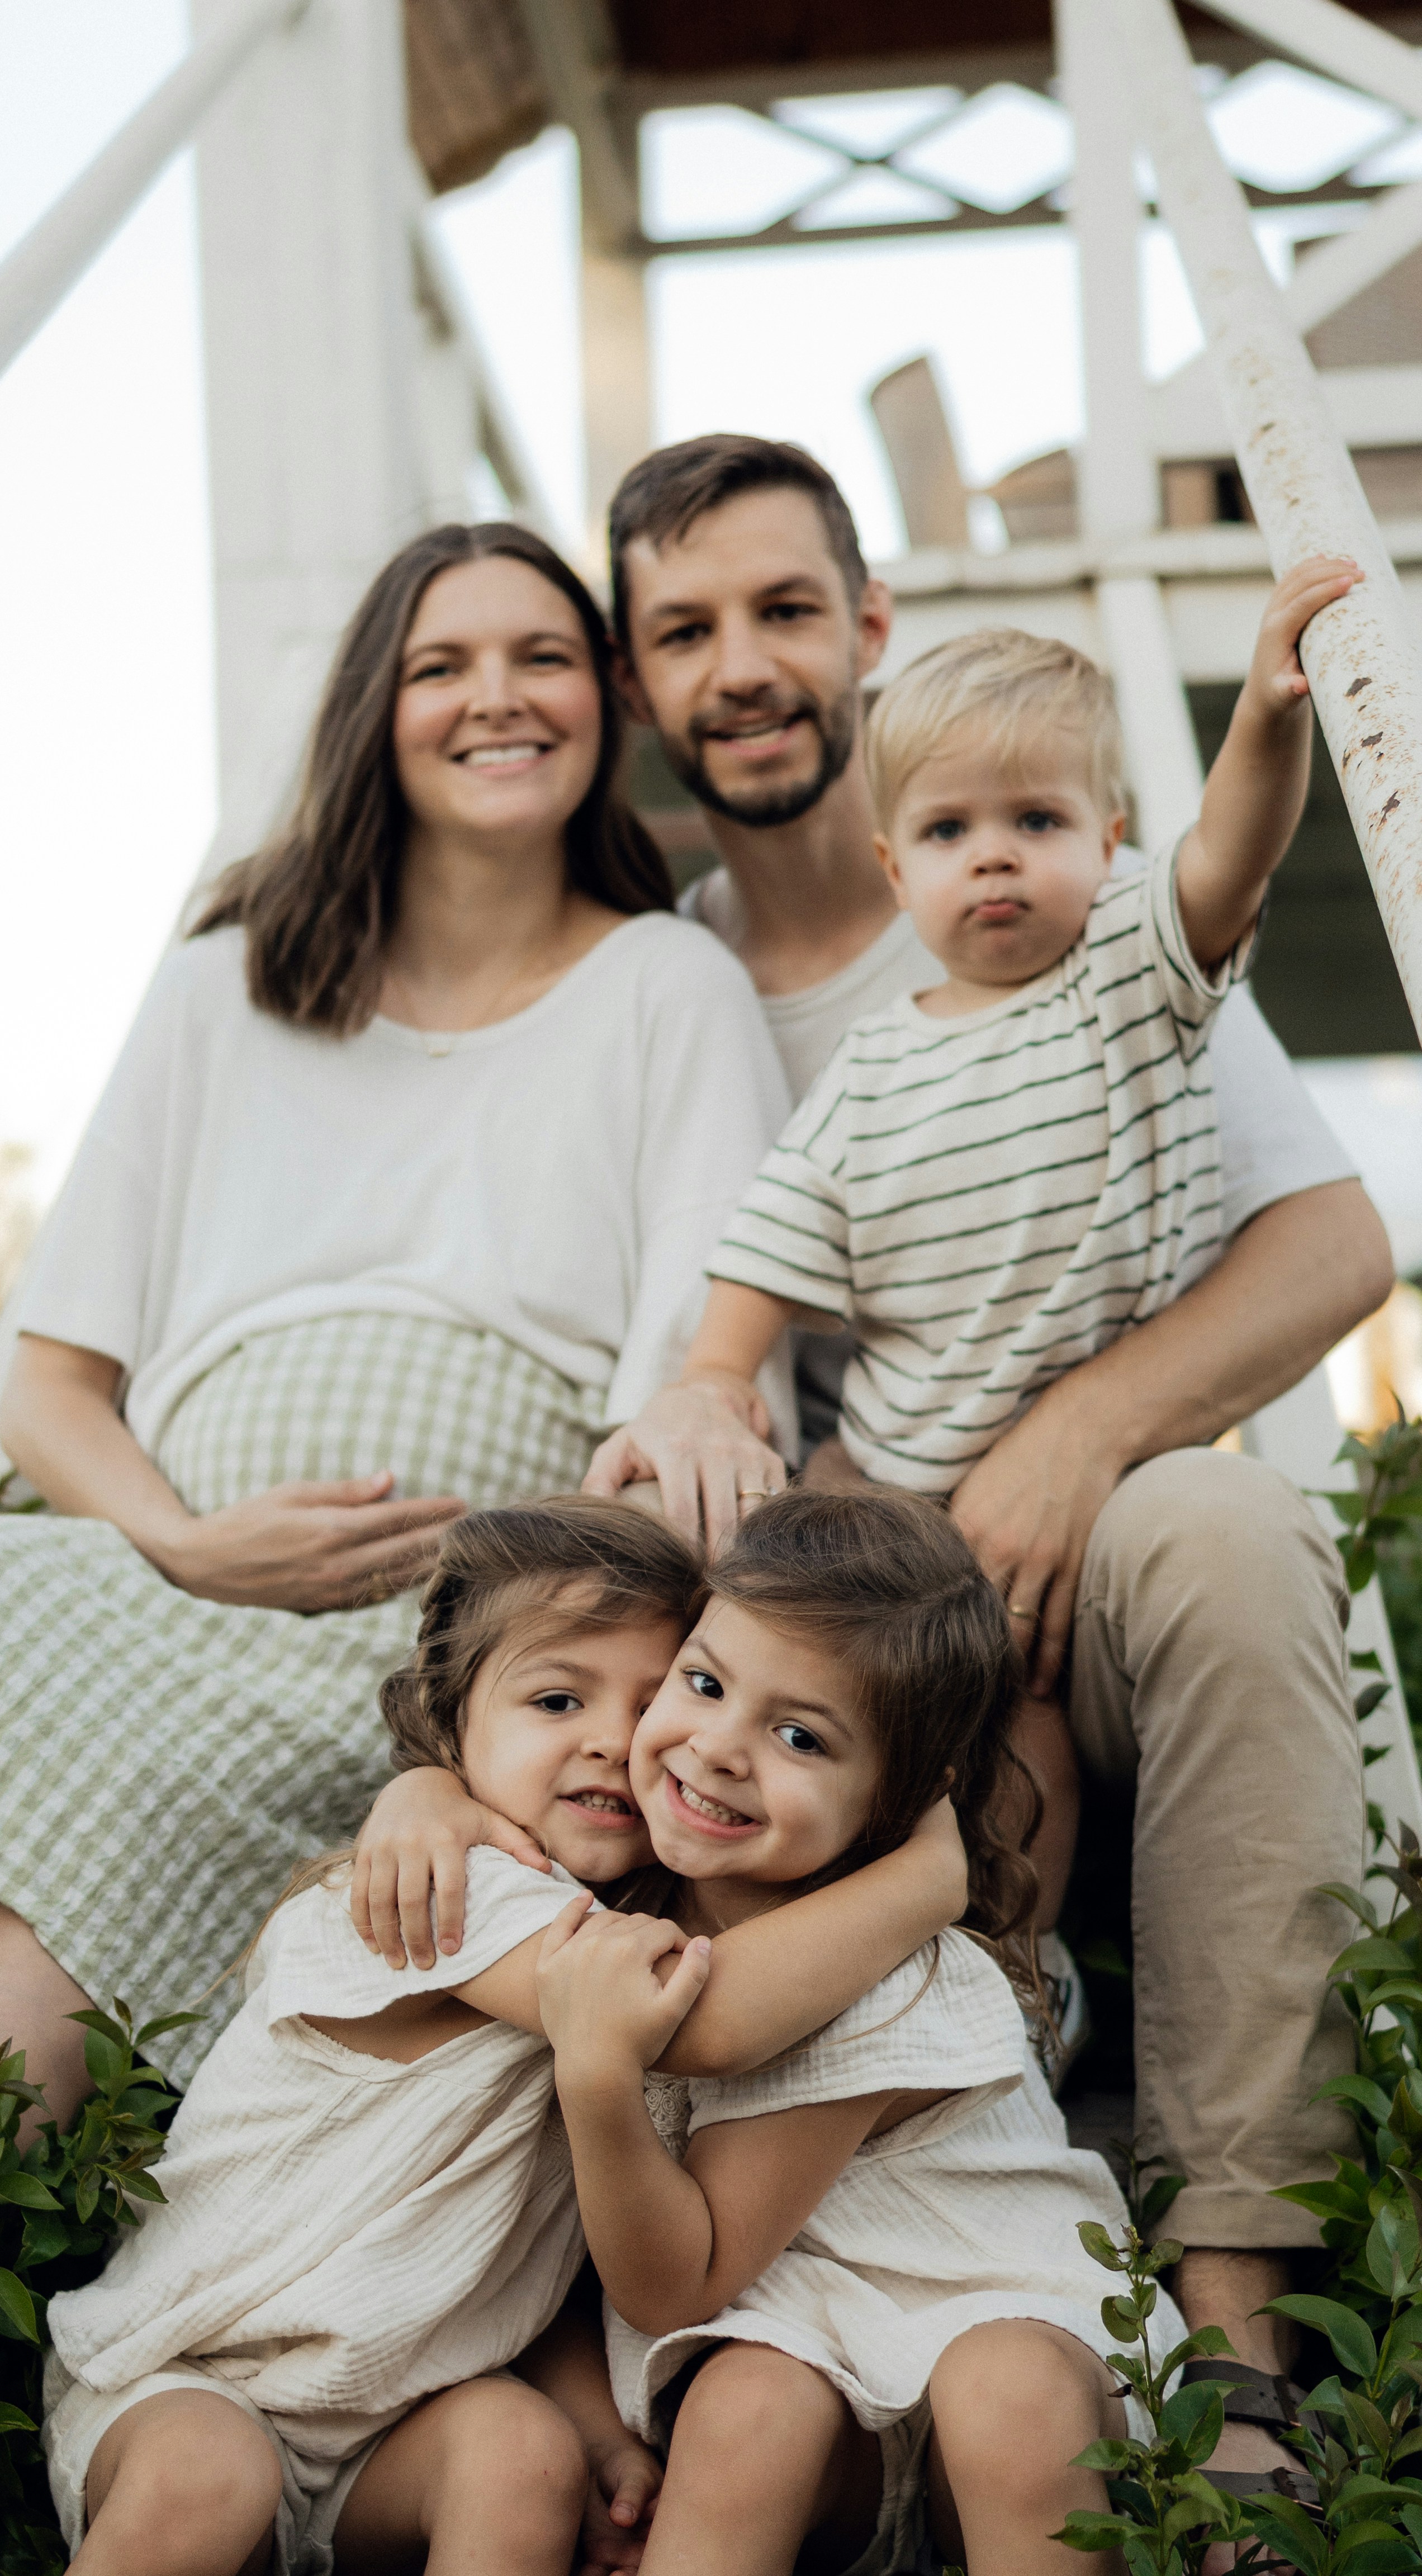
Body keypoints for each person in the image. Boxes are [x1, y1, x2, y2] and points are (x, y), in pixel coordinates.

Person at [0, 521, 798, 2569]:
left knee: (129, 1785)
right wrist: (187, 1543)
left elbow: (687, 1381)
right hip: (181, 1554)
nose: (499, 695)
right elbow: (50, 1385)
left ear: (605, 706)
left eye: (547, 655)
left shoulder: (666, 986)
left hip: (462, 1593)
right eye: (445, 659)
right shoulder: (229, 986)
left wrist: (506, 1612)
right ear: (375, 709)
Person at [583, 433, 1392, 2492]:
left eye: (785, 607)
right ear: (634, 677)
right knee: (897, 1704)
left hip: (1085, 1523)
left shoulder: (1091, 937)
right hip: (848, 1561)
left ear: (868, 629)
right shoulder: (662, 987)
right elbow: (728, 1309)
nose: (741, 662)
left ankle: (1237, 2334)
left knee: (1207, 1518)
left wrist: (1069, 1435)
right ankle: (882, 2179)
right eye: (683, 627)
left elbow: (1334, 1238)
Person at [40, 1499, 969, 2576]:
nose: (614, 1742)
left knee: (524, 2457)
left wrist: (598, 2432)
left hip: (395, 2432)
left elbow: (536, 2266)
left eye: (659, 1694)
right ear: (453, 1723)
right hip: (186, 2383)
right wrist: (925, 1879)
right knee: (213, 2479)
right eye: (557, 1697)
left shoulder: (617, 1929)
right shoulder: (450, 1893)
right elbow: (706, 2020)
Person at [671, 574, 1361, 1955]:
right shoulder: (876, 1068)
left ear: (1110, 844)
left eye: (1036, 822)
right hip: (894, 1491)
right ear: (895, 868)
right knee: (894, 1728)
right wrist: (712, 1374)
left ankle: (1017, 1971)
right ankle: (875, 1968)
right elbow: (768, 1239)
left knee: (1025, 1720)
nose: (994, 859)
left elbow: (1232, 854)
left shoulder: (1133, 979)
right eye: (949, 830)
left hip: (1075, 1504)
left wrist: (1270, 721)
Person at [539, 1488, 1195, 2576]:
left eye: (800, 1734)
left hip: (1017, 2347)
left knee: (1008, 2395)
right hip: (810, 2347)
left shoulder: (888, 1983)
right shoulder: (640, 1881)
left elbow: (677, 2281)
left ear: (897, 1800)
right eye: (703, 1683)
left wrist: (598, 2076)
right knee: (748, 2402)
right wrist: (423, 1799)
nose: (719, 1748)